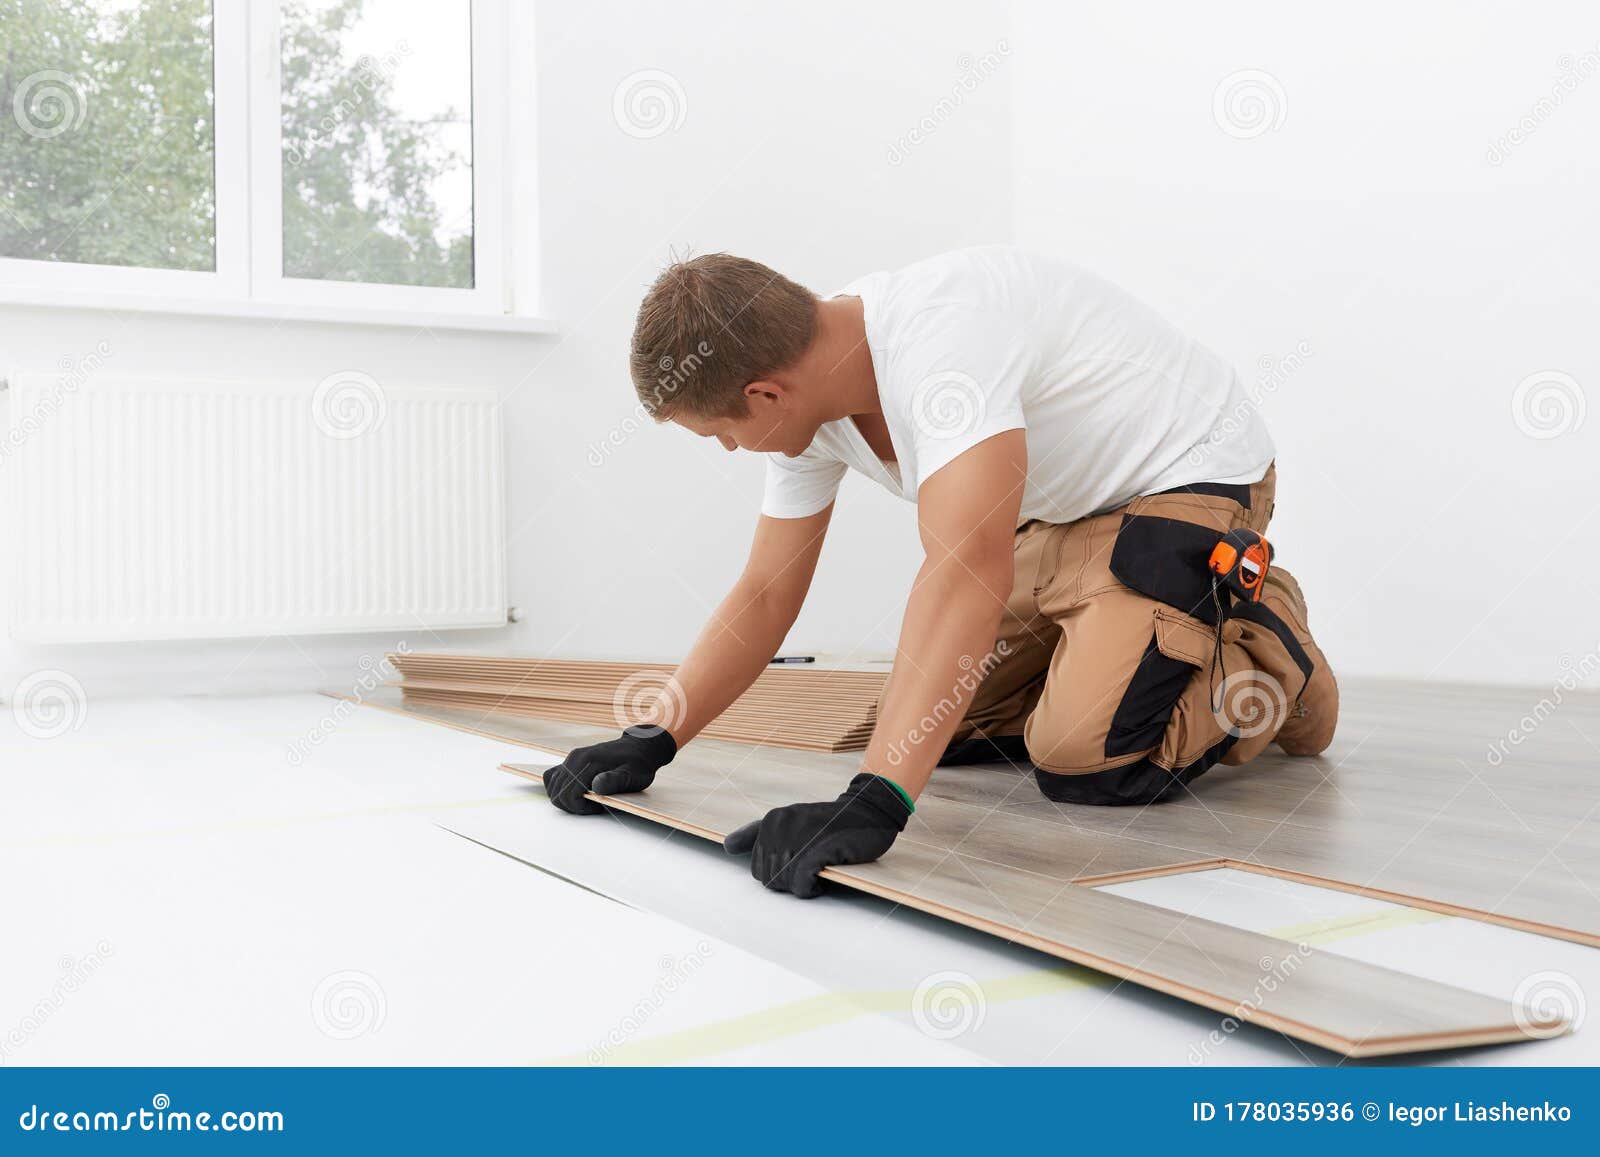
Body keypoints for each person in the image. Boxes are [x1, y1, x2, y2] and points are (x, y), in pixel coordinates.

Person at [543, 246, 1336, 898]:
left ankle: (1264, 638)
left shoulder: (942, 345)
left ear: (764, 392)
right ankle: (1119, 634)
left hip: (1188, 475)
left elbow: (965, 574)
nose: (729, 448)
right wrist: (656, 735)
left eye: (721, 432)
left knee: (1083, 756)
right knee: (937, 724)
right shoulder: (807, 399)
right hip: (1069, 514)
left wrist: (877, 799)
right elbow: (765, 589)